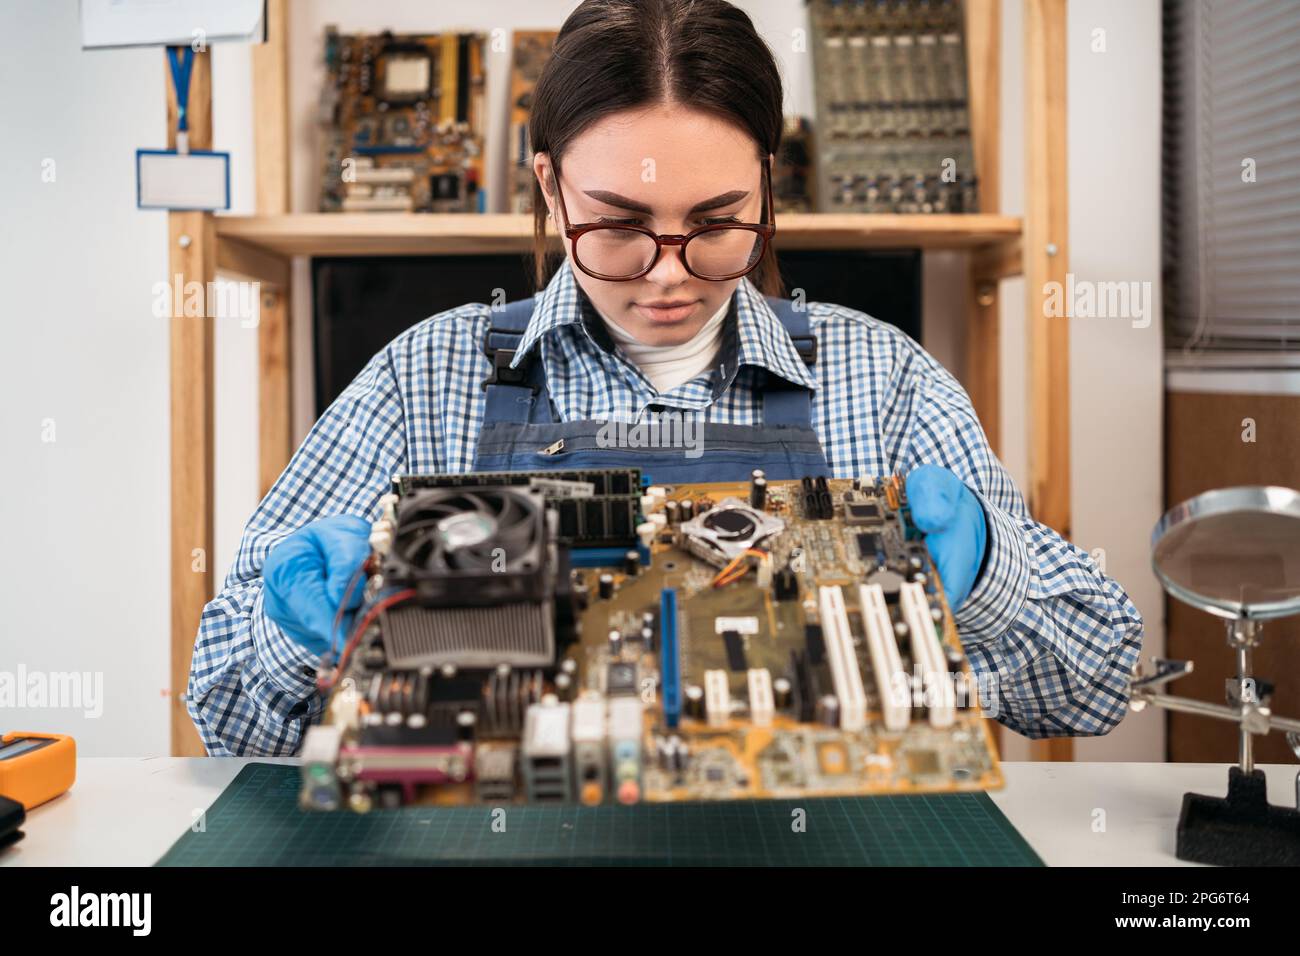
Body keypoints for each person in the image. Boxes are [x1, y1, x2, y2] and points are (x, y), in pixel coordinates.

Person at [187, 0, 1142, 756]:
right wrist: (301, 637)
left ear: (769, 185)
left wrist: (983, 579)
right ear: (551, 188)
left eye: (719, 220)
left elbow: (1099, 681)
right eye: (618, 224)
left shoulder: (883, 379)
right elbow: (221, 706)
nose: (669, 273)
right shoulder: (424, 378)